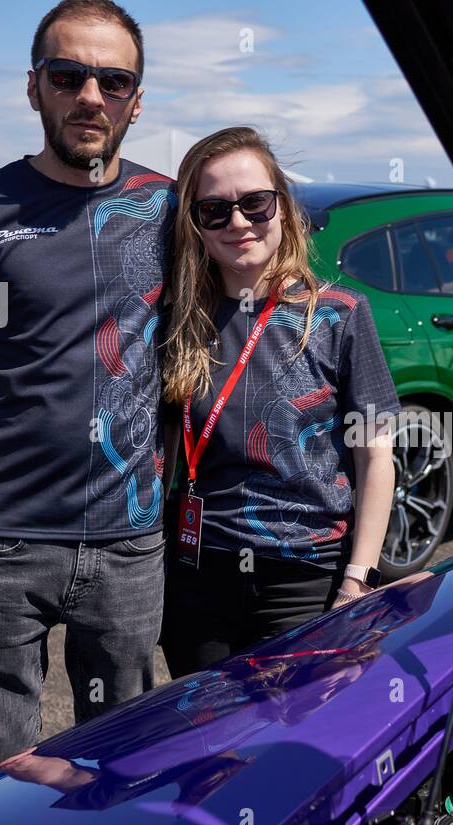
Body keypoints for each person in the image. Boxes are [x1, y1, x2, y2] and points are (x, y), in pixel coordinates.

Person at [0, 0, 175, 775]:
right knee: (2, 768)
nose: (90, 96)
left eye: (113, 80)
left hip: (129, 543)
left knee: (126, 760)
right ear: (34, 88)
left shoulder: (167, 208)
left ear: (135, 98)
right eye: (69, 75)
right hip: (2, 542)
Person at [157, 126, 399, 679]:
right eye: (214, 210)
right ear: (196, 225)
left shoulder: (339, 314)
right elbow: (166, 447)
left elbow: (375, 458)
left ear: (283, 209)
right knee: (207, 744)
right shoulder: (180, 322)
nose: (238, 222)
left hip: (305, 577)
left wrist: (358, 578)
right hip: (198, 574)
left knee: (289, 741)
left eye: (254, 204)